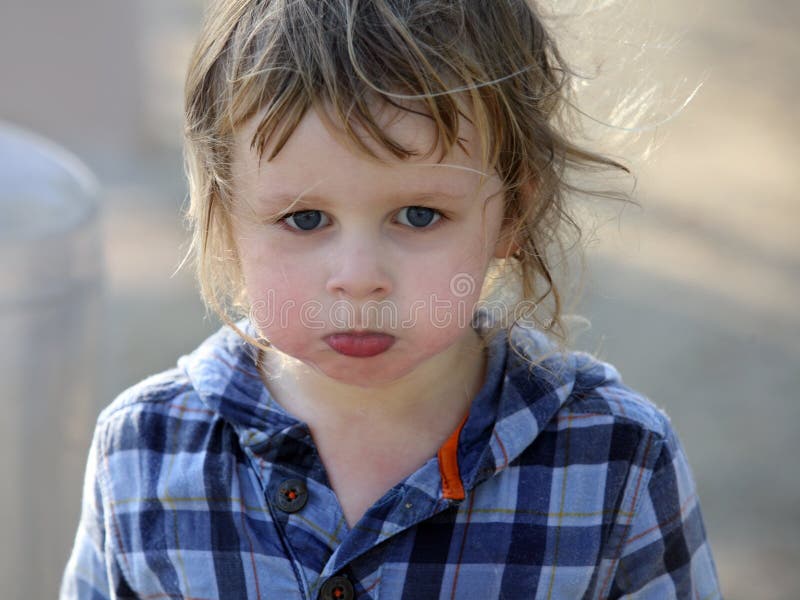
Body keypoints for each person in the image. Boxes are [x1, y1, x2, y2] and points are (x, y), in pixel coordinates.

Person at [61, 0, 721, 598]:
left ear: (513, 211)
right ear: (227, 217)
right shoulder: (144, 454)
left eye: (418, 215)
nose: (358, 277)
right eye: (305, 219)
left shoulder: (616, 463)